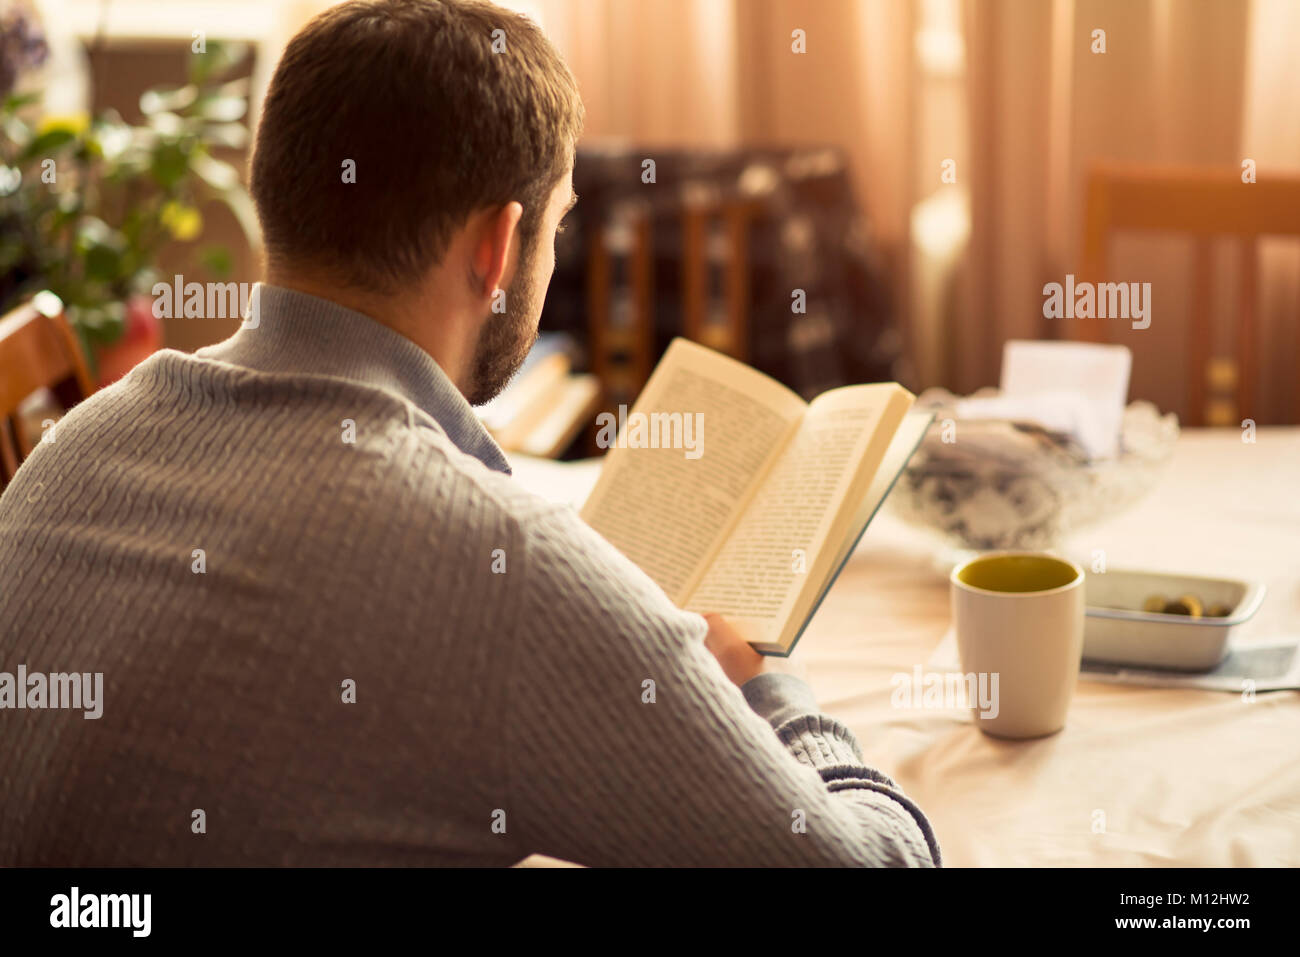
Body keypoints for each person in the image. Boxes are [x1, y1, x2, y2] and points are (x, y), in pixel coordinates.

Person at [0, 0, 940, 867]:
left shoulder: (63, 458)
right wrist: (769, 687)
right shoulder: (506, 571)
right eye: (559, 224)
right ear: (497, 247)